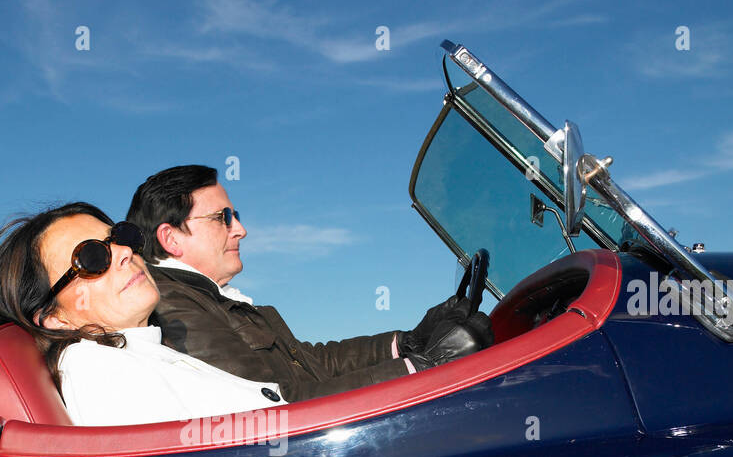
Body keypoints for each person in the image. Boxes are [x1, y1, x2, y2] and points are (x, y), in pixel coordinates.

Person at [126, 165, 493, 402]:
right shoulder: (171, 303)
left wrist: (408, 341)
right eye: (223, 217)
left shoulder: (215, 299)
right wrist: (422, 368)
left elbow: (314, 361)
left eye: (235, 215)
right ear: (172, 238)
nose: (241, 229)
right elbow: (273, 402)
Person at [0, 202, 287, 426]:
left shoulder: (144, 350)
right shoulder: (93, 366)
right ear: (54, 318)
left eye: (122, 237)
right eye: (92, 257)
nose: (124, 252)